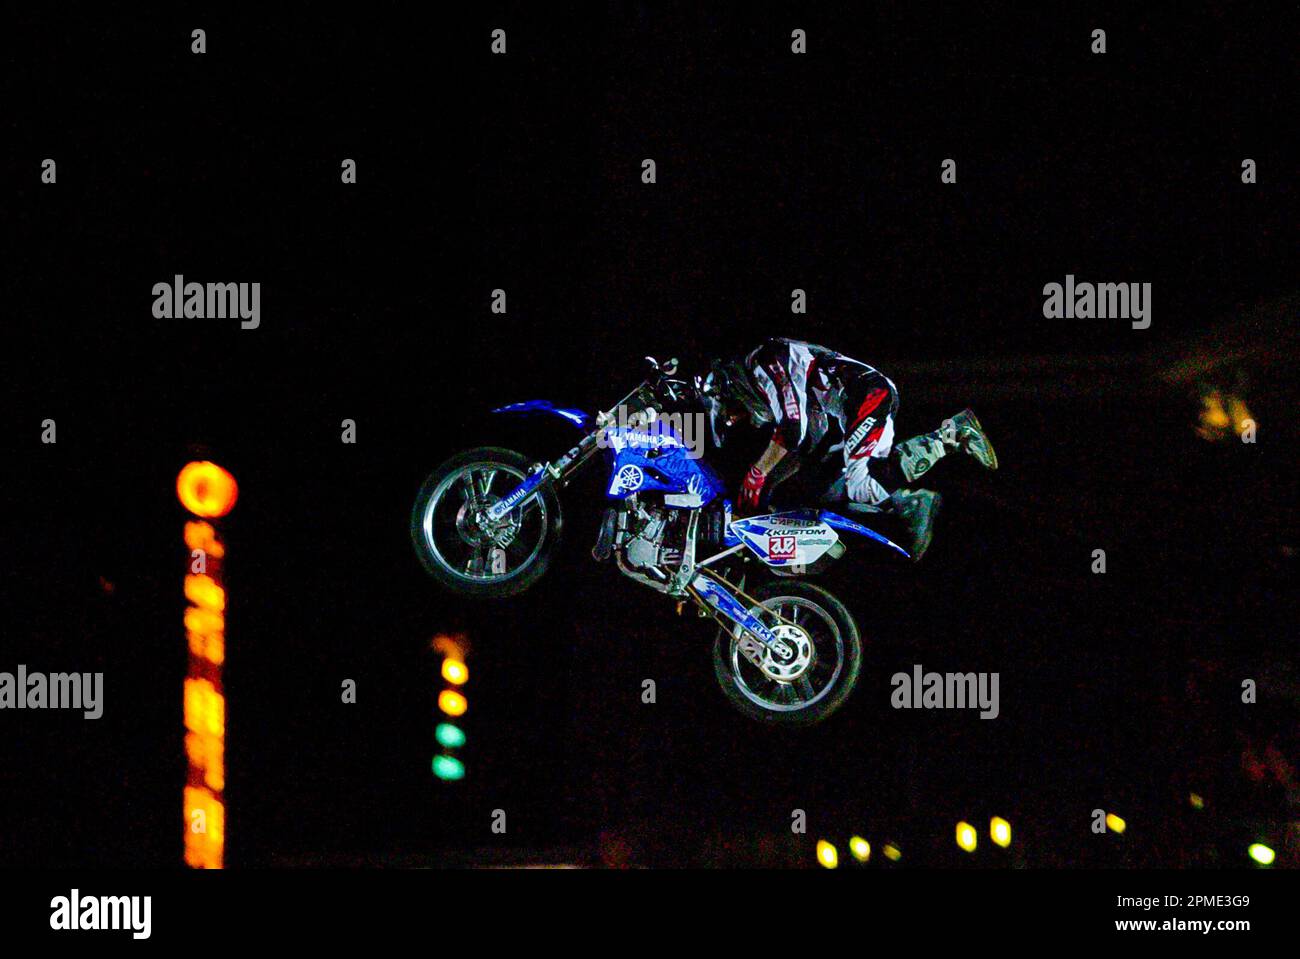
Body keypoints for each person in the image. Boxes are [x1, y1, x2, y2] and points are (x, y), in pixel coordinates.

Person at [701, 337, 997, 561]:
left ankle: (950, 436)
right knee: (843, 489)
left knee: (859, 487)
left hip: (867, 395)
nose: (738, 418)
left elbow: (793, 431)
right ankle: (902, 501)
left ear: (730, 387)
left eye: (733, 411)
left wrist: (757, 474)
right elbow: (807, 443)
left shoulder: (764, 360)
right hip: (864, 399)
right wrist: (766, 491)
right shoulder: (780, 376)